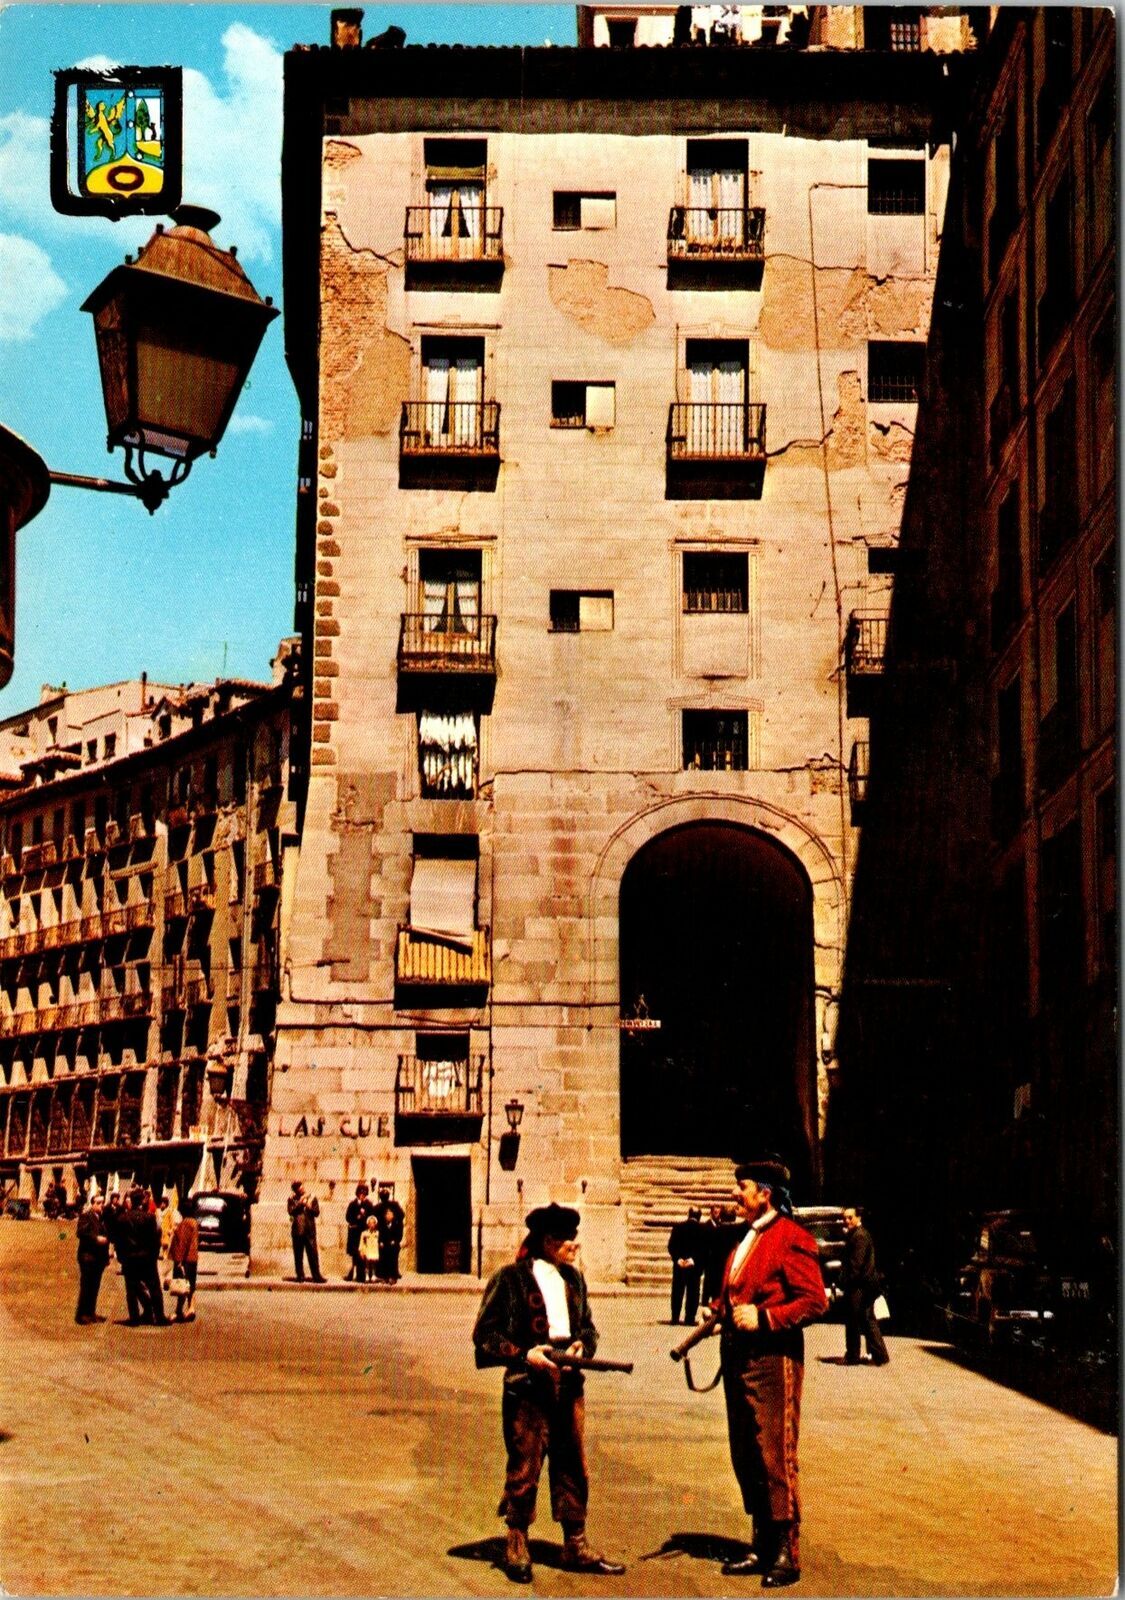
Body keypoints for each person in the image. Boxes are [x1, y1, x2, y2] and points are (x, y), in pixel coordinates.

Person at [473, 1203, 626, 1584]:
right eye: (568, 1239)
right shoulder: (511, 1279)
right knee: (525, 1463)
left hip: (569, 1383)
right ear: (548, 1241)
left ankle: (575, 1542)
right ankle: (517, 1541)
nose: (575, 1245)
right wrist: (526, 1355)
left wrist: (581, 1349)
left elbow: (588, 1328)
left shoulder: (574, 1281)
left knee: (572, 1462)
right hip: (528, 1385)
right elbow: (485, 1335)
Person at [712, 1158, 826, 1586]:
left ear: (765, 1193)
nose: (736, 1195)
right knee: (745, 1451)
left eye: (742, 1188)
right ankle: (760, 1544)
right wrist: (722, 1310)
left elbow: (814, 1301)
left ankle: (786, 1552)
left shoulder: (791, 1237)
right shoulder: (748, 1238)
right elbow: (742, 1292)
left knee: (774, 1453)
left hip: (773, 1360)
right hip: (739, 1357)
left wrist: (763, 1319)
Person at [841, 1206, 889, 1366]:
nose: (846, 1221)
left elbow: (856, 1264)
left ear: (858, 1218)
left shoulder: (859, 1236)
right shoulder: (858, 1234)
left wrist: (845, 1282)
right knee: (867, 1319)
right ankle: (879, 1355)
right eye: (844, 1218)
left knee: (855, 1320)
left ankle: (854, 1355)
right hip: (865, 1285)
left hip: (860, 1286)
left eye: (850, 1217)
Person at [117, 1186, 169, 1326]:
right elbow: (154, 1239)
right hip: (147, 1258)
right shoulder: (150, 1218)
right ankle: (159, 1317)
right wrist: (153, 1255)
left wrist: (122, 1258)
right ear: (142, 1202)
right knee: (154, 1288)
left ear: (131, 1201)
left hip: (130, 1258)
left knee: (131, 1290)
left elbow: (119, 1241)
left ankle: (134, 1318)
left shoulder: (122, 1219)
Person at [75, 1194, 110, 1324]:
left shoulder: (101, 1218)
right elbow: (81, 1232)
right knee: (86, 1286)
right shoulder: (86, 1216)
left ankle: (91, 1312)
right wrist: (96, 1239)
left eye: (102, 1203)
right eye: (99, 1203)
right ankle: (82, 1314)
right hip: (87, 1257)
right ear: (93, 1204)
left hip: (98, 1259)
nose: (102, 1205)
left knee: (95, 1286)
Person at [667, 1206, 705, 1325]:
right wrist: (693, 1260)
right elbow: (704, 1249)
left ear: (689, 1214)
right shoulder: (703, 1230)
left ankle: (675, 1317)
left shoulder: (678, 1227)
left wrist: (677, 1259)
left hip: (679, 1265)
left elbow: (671, 1246)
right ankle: (689, 1318)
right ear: (699, 1216)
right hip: (694, 1266)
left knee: (677, 1291)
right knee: (693, 1292)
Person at [168, 1197, 200, 1321]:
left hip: (185, 1259)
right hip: (193, 1258)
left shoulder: (186, 1223)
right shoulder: (194, 1222)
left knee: (182, 1285)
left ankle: (179, 1311)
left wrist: (180, 1261)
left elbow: (183, 1243)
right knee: (190, 1285)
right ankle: (191, 1307)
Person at [287, 1181, 326, 1282]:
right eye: (299, 1187)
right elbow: (291, 1211)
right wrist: (300, 1204)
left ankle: (316, 1276)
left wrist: (309, 1206)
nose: (302, 1188)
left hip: (309, 1230)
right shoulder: (292, 1199)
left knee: (313, 1254)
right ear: (296, 1190)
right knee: (298, 1255)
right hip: (297, 1230)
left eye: (301, 1186)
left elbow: (317, 1212)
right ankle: (300, 1276)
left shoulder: (312, 1197)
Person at [374, 1183, 405, 1283]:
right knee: (382, 1256)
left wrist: (394, 1221)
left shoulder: (394, 1205)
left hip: (392, 1236)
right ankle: (383, 1274)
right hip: (382, 1236)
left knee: (393, 1255)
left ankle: (393, 1273)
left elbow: (401, 1215)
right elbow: (374, 1221)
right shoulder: (377, 1207)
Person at [344, 1182, 373, 1281]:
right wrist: (357, 1217)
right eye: (360, 1193)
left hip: (364, 1233)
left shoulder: (368, 1204)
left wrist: (365, 1218)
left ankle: (361, 1276)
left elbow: (372, 1218)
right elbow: (348, 1217)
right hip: (354, 1233)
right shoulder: (353, 1204)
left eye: (364, 1194)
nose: (362, 1195)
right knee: (354, 1254)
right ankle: (352, 1274)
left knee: (363, 1254)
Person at [357, 1214, 380, 1283]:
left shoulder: (377, 1233)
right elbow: (361, 1243)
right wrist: (361, 1251)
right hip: (367, 1249)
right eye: (370, 1223)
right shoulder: (364, 1233)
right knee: (367, 1264)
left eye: (373, 1223)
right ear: (368, 1224)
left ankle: (373, 1275)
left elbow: (379, 1241)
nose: (372, 1225)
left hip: (375, 1250)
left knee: (373, 1264)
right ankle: (367, 1275)